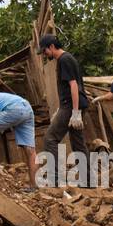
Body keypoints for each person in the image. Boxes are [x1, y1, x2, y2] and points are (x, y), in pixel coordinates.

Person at [38, 34, 87, 183]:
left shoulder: (64, 59)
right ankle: (88, 180)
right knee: (78, 143)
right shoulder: (66, 59)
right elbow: (67, 87)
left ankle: (55, 178)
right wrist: (60, 109)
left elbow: (73, 85)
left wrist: (75, 112)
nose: (45, 55)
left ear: (52, 46)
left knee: (50, 138)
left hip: (72, 106)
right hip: (70, 106)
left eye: (45, 51)